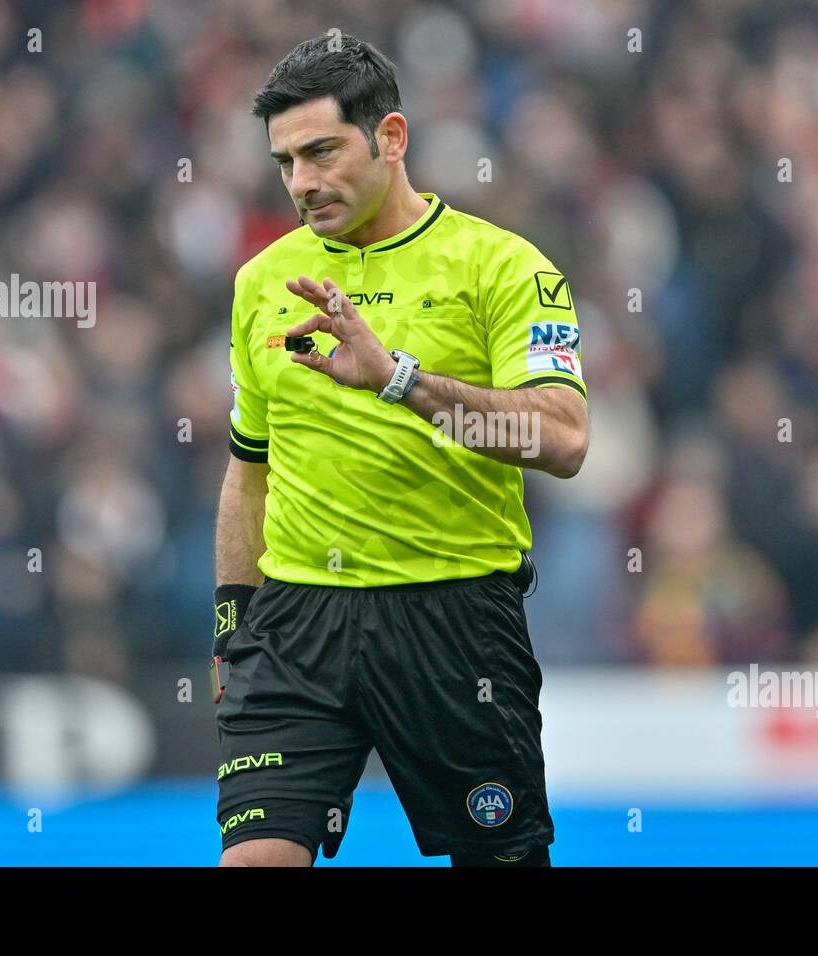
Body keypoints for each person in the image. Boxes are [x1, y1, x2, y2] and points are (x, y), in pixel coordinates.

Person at [212, 33, 588, 867]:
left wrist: (399, 381)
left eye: (320, 151)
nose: (302, 183)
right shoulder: (261, 281)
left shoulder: (503, 267)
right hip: (296, 626)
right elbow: (249, 471)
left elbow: (561, 440)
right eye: (284, 162)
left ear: (390, 137)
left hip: (453, 622)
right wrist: (231, 626)